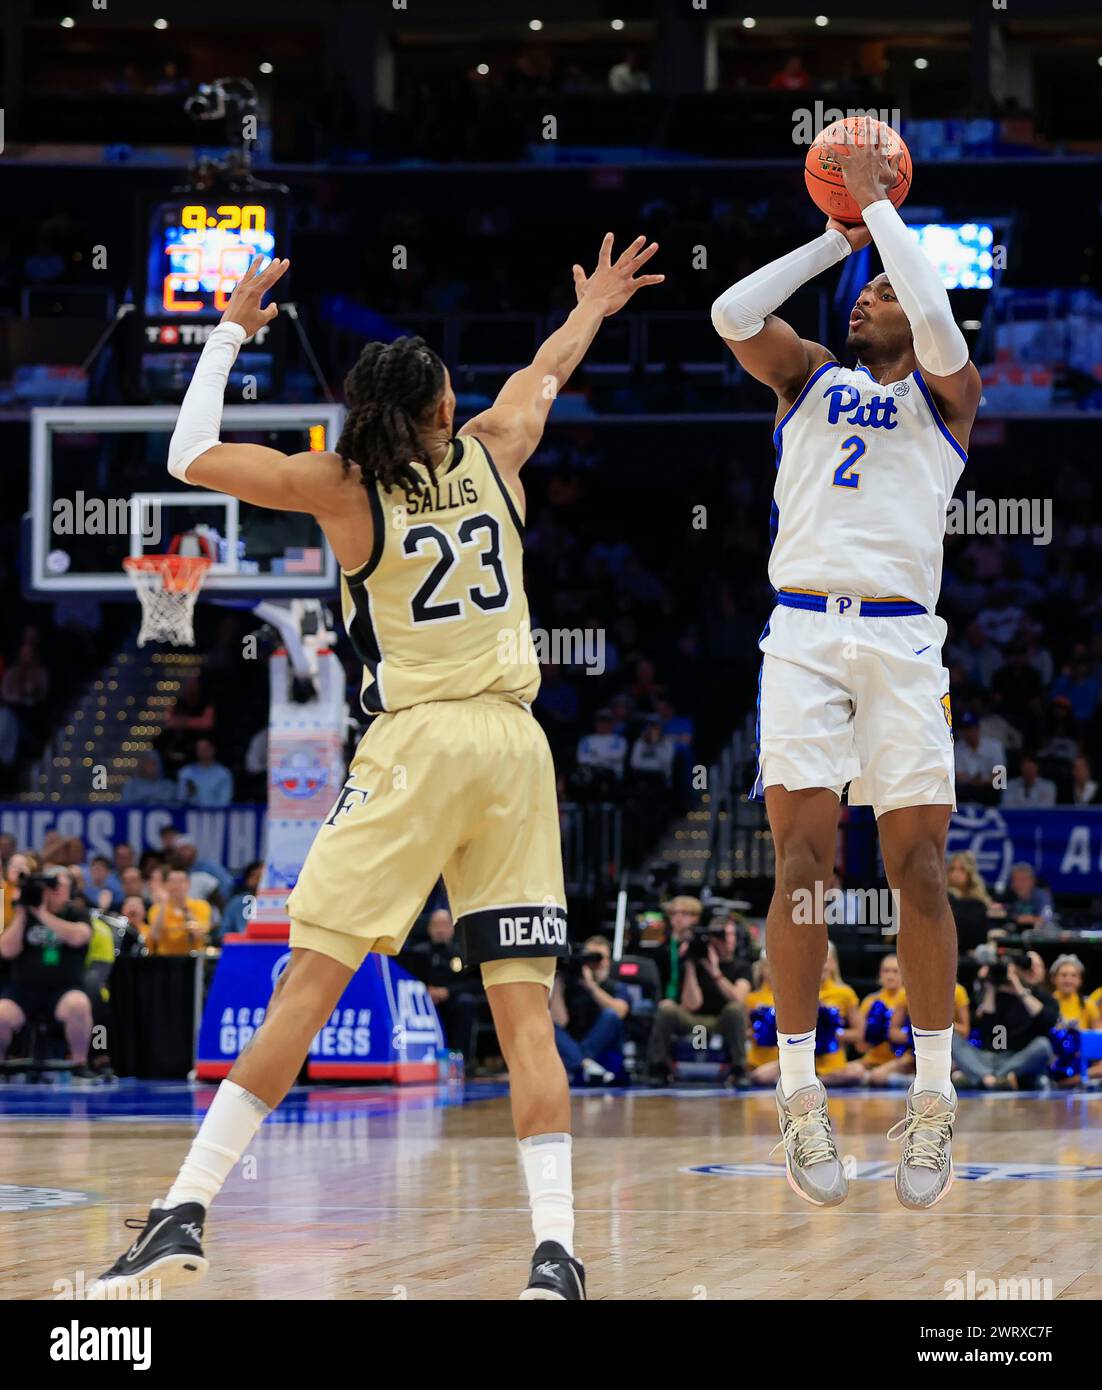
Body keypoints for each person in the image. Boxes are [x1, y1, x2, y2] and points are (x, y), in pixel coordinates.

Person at [94, 235, 663, 1301]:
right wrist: (591, 305)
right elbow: (549, 368)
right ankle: (555, 1255)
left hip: (415, 745)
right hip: (514, 748)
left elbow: (186, 456)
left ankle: (183, 1211)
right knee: (523, 1013)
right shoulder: (498, 449)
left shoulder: (340, 487)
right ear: (446, 412)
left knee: (306, 991)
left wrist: (227, 334)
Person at [711, 117, 981, 1208]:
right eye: (855, 289)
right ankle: (796, 1093)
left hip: (904, 638)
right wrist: (838, 229)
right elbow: (733, 312)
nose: (861, 295)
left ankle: (931, 1096)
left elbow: (940, 324)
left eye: (877, 291)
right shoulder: (808, 376)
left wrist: (879, 208)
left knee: (915, 871)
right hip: (803, 633)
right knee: (803, 869)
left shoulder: (945, 395)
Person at [0, 868, 96, 1079]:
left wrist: (43, 914)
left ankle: (79, 1063)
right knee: (1, 1013)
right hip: (23, 991)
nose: (54, 891)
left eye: (59, 887)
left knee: (79, 1005)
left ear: (69, 891)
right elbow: (6, 950)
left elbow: (79, 937)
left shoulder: (76, 913)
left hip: (63, 991)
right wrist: (24, 913)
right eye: (50, 886)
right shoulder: (25, 916)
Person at [644, 914, 751, 1087]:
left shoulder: (742, 966)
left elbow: (739, 997)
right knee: (667, 1009)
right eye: (724, 935)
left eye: (732, 935)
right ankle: (657, 1068)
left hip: (722, 1019)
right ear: (712, 940)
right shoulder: (693, 962)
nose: (729, 940)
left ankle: (739, 1069)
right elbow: (691, 1004)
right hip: (692, 1017)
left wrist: (715, 972)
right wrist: (691, 966)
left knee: (735, 1009)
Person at [950, 959, 1058, 1090]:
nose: (1031, 970)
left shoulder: (1041, 997)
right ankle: (992, 1079)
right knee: (952, 1038)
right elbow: (985, 1026)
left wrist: (1018, 989)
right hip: (986, 1057)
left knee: (1043, 1045)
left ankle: (981, 1078)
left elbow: (1048, 1020)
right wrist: (990, 986)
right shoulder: (994, 994)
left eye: (1035, 966)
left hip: (1017, 1057)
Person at [402, 909, 481, 1064]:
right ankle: (413, 1059)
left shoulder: (464, 953)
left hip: (453, 999)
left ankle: (463, 1062)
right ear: (429, 928)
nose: (440, 929)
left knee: (466, 1003)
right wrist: (425, 991)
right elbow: (405, 980)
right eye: (435, 925)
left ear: (452, 928)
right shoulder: (417, 953)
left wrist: (448, 991)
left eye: (444, 925)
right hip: (422, 1001)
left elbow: (475, 983)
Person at [550, 936, 630, 1084]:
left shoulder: (616, 985)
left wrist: (591, 985)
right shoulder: (572, 985)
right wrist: (559, 979)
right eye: (590, 957)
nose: (595, 962)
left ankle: (580, 1061)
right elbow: (560, 1022)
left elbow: (620, 1012)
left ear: (608, 961)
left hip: (603, 1051)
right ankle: (585, 1064)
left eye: (599, 957)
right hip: (576, 1042)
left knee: (610, 1015)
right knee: (547, 1022)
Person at [143, 867, 212, 956]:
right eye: (172, 881)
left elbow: (198, 936)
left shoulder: (201, 906)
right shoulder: (156, 909)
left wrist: (184, 908)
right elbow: (155, 936)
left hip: (192, 958)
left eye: (181, 881)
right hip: (165, 959)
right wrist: (164, 904)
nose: (176, 885)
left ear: (188, 884)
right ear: (166, 885)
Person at [177, 738, 234, 807]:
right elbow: (180, 800)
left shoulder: (224, 773)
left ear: (213, 750)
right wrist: (188, 794)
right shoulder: (186, 772)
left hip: (215, 815)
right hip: (191, 815)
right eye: (200, 749)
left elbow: (225, 802)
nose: (203, 751)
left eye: (206, 748)